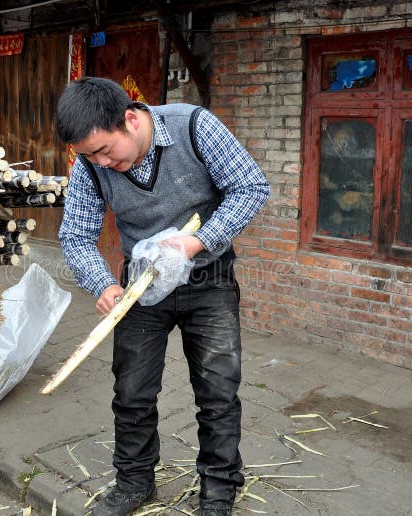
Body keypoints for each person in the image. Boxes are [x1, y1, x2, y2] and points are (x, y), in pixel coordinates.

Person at [56, 77, 269, 516]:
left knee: (217, 391)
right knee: (132, 391)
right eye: (89, 156)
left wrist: (198, 242)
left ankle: (218, 490)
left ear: (130, 119)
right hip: (141, 284)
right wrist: (104, 285)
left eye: (104, 150)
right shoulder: (91, 167)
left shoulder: (193, 126)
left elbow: (250, 186)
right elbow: (75, 236)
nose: (101, 162)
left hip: (208, 276)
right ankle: (134, 483)